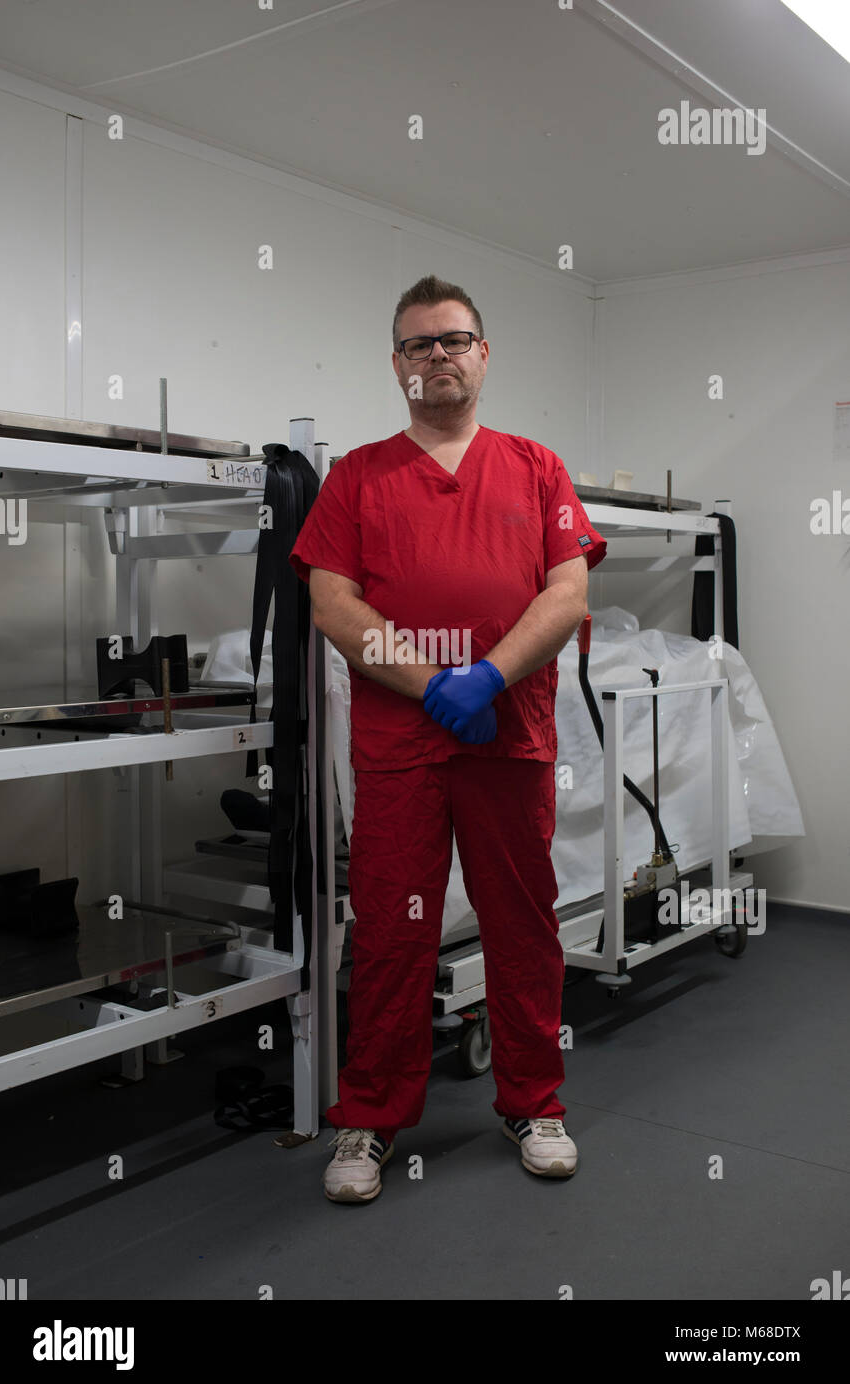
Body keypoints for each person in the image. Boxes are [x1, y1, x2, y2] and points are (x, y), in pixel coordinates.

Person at [289, 274, 607, 1202]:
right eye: (418, 343)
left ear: (482, 352)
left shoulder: (536, 466)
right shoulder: (357, 476)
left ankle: (534, 1102)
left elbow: (567, 594)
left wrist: (487, 678)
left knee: (521, 923)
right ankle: (369, 1122)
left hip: (508, 735)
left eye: (453, 339)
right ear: (396, 364)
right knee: (391, 930)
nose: (438, 355)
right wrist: (433, 685)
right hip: (401, 745)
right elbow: (331, 603)